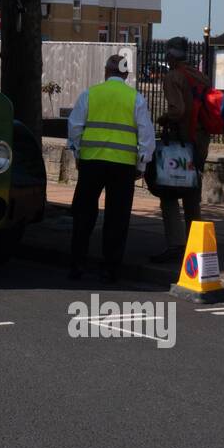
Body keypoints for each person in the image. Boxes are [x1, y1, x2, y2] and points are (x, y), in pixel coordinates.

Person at [68, 53, 155, 282]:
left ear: (106, 71)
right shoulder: (135, 98)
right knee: (117, 218)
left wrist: (78, 153)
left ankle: (77, 264)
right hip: (123, 166)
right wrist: (141, 164)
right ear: (126, 74)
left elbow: (75, 126)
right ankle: (110, 268)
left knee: (83, 214)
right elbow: (146, 135)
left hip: (91, 162)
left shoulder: (90, 94)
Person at [150, 36, 212, 263]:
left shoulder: (173, 76)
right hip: (201, 143)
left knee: (168, 193)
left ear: (170, 55)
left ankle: (176, 244)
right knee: (192, 195)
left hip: (180, 145)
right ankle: (196, 245)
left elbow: (178, 110)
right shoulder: (201, 76)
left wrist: (162, 118)